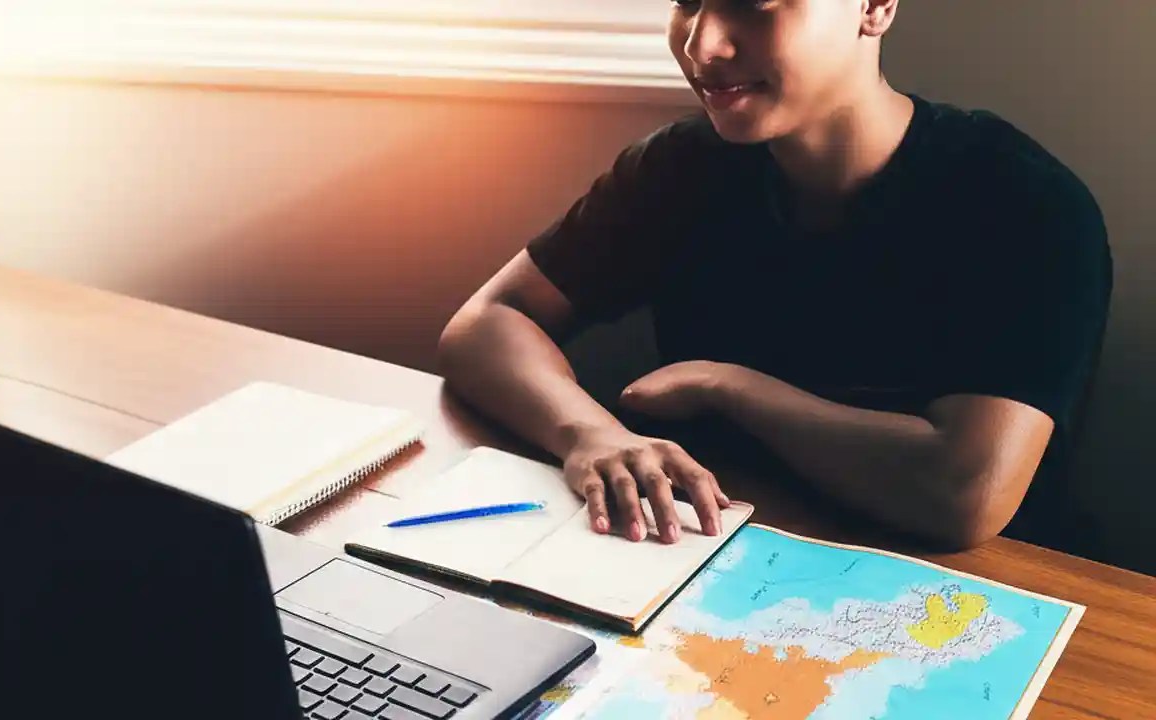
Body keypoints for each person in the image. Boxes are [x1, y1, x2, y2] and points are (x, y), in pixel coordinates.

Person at [437, 0, 1111, 554]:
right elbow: (486, 323)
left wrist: (728, 386)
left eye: (749, 6)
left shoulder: (1020, 202)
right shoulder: (680, 167)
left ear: (874, 7)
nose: (702, 46)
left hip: (974, 592)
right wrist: (589, 434)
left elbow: (963, 492)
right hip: (710, 542)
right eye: (686, 3)